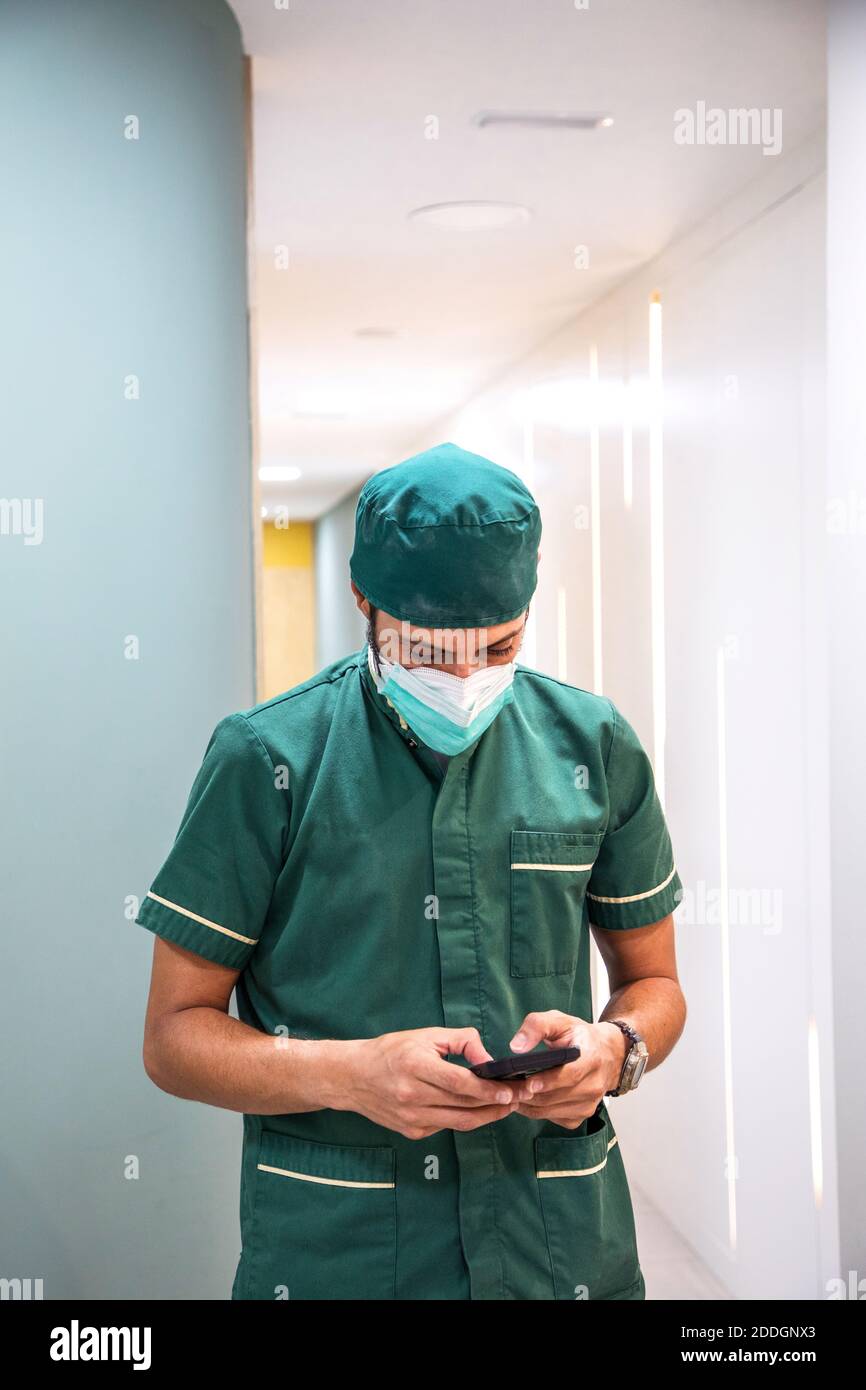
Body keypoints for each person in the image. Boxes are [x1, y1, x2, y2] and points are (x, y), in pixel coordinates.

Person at [137, 440, 686, 1301]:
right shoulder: (268, 758)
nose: (466, 678)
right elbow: (173, 1039)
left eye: (498, 646)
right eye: (429, 652)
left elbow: (655, 983)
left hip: (558, 1251)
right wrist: (351, 1075)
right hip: (344, 1256)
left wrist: (614, 1049)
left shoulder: (594, 747)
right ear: (365, 600)